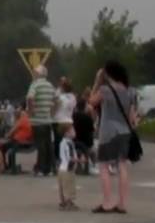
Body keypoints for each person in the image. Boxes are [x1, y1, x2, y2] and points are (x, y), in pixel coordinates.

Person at [88, 60, 137, 214]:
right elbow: (132, 117)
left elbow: (90, 102)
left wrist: (97, 81)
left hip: (108, 132)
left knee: (103, 166)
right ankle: (122, 204)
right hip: (124, 132)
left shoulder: (105, 90)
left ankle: (107, 202)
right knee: (122, 165)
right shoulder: (131, 91)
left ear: (107, 73)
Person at [27, 65, 57, 176]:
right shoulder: (50, 85)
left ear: (39, 74)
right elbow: (56, 99)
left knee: (40, 145)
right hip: (47, 120)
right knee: (48, 144)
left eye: (35, 72)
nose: (33, 74)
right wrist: (52, 112)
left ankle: (40, 168)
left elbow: (30, 98)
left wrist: (31, 111)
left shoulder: (35, 84)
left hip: (37, 120)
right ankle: (48, 169)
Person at [0, 109, 33, 174]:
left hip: (18, 141)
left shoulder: (21, 120)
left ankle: (3, 167)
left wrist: (4, 138)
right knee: (3, 146)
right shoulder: (27, 120)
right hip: (25, 142)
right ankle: (6, 166)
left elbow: (11, 132)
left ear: (17, 115)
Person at [57, 124, 79, 210]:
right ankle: (68, 203)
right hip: (68, 168)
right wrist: (78, 160)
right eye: (73, 131)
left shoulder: (62, 142)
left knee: (62, 186)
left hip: (61, 168)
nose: (75, 132)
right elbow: (70, 157)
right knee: (69, 185)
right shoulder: (69, 143)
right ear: (66, 133)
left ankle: (63, 202)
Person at [72, 97, 95, 175]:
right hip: (86, 141)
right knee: (88, 149)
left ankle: (78, 166)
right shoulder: (88, 118)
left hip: (75, 140)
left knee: (78, 149)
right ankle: (86, 167)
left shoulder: (73, 116)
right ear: (85, 106)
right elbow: (91, 130)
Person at [54, 77, 76, 157]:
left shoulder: (60, 97)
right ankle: (69, 155)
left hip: (59, 121)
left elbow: (55, 107)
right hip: (69, 121)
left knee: (58, 141)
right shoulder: (73, 97)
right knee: (67, 140)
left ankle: (59, 158)